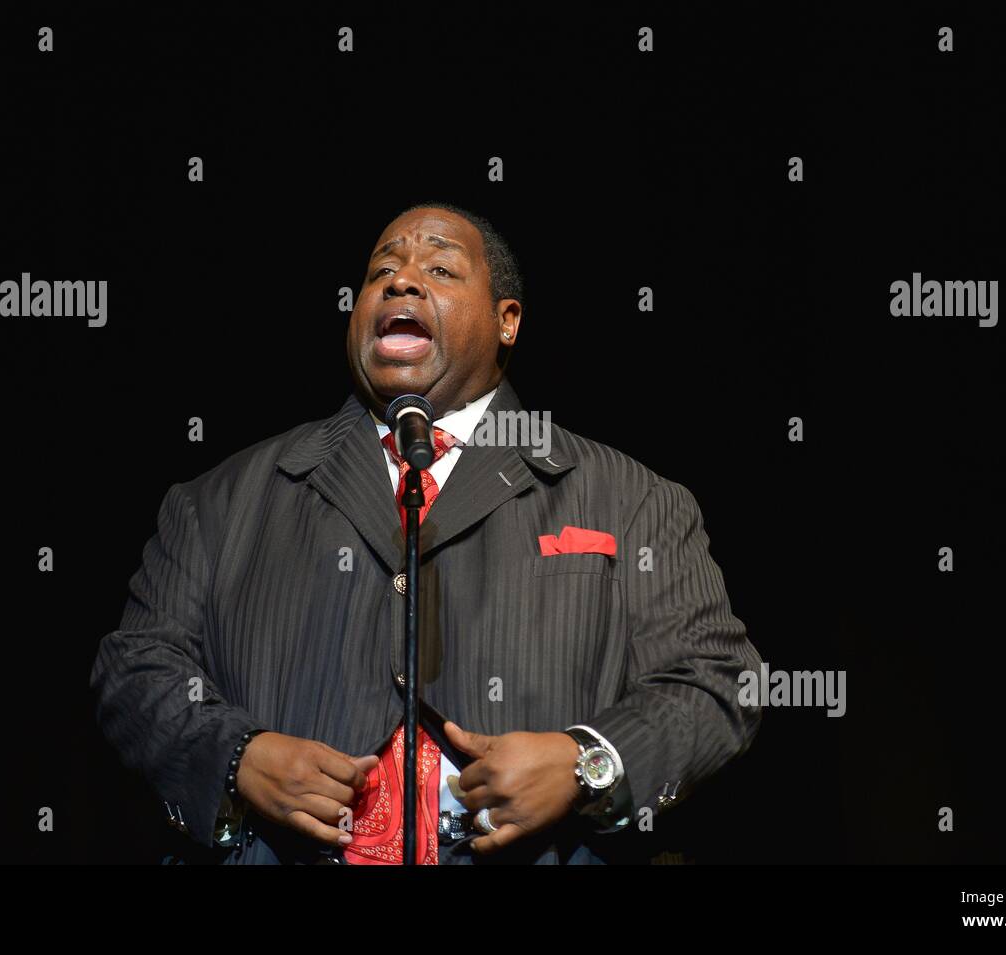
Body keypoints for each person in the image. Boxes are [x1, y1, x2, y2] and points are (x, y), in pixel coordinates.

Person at [89, 201, 764, 864]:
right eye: (383, 266)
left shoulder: (632, 497)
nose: (401, 278)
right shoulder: (219, 500)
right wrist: (237, 757)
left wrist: (586, 761)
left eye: (440, 269)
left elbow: (718, 678)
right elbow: (134, 670)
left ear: (507, 320)